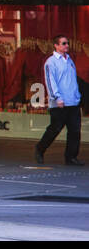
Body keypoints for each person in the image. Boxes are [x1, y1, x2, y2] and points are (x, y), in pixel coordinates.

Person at [35, 36, 83, 166]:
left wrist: (77, 96)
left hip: (73, 101)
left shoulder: (69, 60)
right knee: (55, 129)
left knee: (74, 130)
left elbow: (72, 80)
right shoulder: (51, 62)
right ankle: (40, 148)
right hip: (59, 102)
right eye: (63, 43)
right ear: (56, 45)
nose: (66, 45)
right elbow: (50, 81)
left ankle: (71, 157)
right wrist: (57, 97)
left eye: (67, 43)